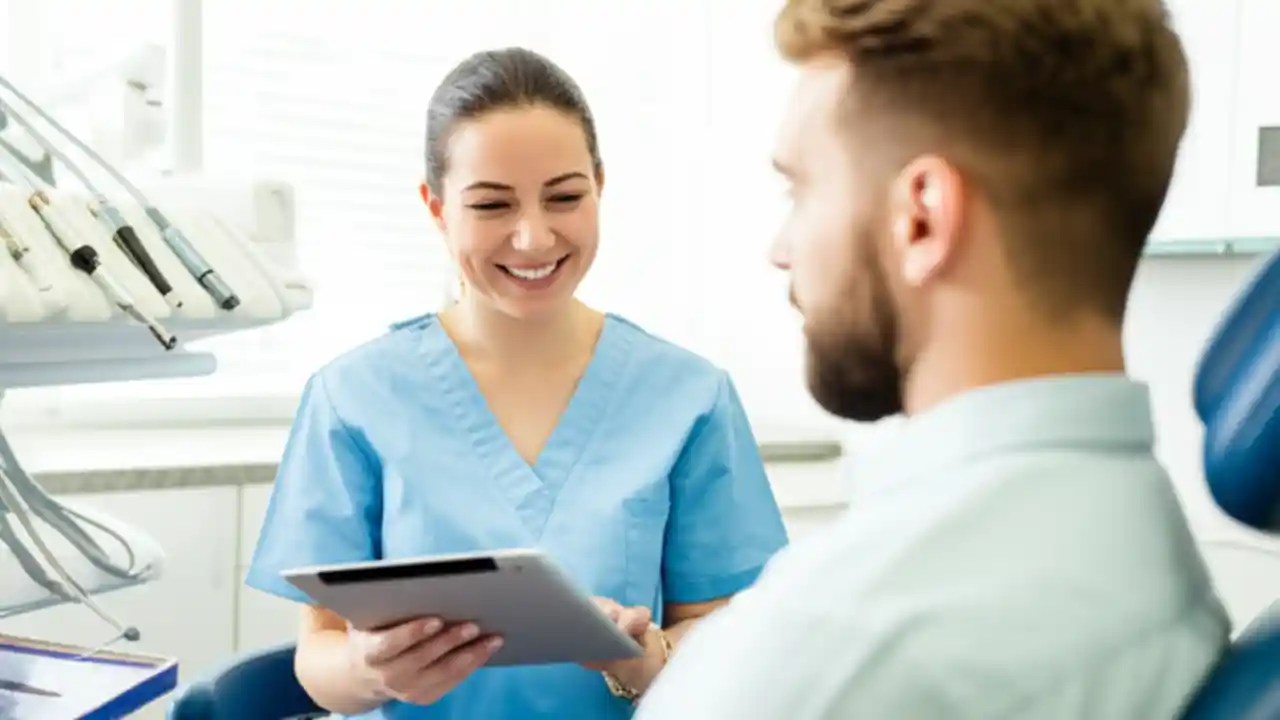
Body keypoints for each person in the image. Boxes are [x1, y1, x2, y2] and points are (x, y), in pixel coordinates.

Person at [637, 0, 1231, 718]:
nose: (782, 247)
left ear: (921, 217)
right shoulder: (1147, 546)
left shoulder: (819, 653)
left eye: (801, 189)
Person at [245, 47, 788, 719]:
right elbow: (318, 655)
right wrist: (369, 669)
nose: (533, 238)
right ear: (436, 207)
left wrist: (638, 660)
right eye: (492, 205)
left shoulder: (689, 397)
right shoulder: (354, 397)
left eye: (564, 197)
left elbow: (723, 637)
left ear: (600, 187)